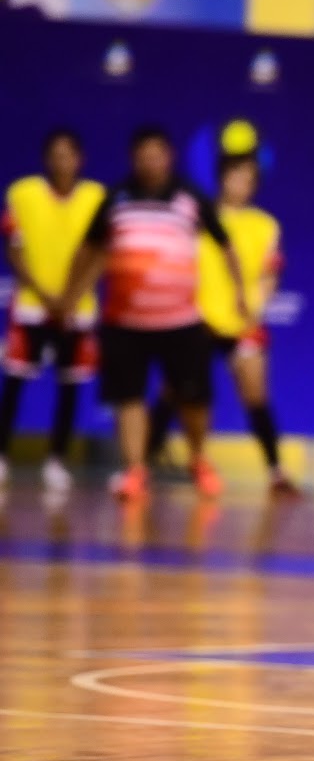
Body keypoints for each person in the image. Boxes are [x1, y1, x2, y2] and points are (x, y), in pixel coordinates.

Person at [56, 126, 248, 501]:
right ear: (134, 158)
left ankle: (199, 459)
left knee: (194, 399)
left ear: (169, 157)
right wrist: (69, 295)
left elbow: (225, 245)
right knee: (129, 397)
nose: (150, 160)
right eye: (142, 153)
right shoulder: (115, 197)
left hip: (180, 322)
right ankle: (135, 471)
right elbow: (89, 250)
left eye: (157, 153)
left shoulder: (190, 195)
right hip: (125, 322)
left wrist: (240, 292)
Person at [146, 152, 298, 495]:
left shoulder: (266, 225)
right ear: (221, 179)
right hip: (198, 320)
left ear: (255, 184)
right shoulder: (200, 218)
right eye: (233, 176)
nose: (240, 184)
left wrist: (254, 307)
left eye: (247, 179)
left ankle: (276, 469)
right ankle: (144, 462)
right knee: (174, 390)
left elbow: (269, 274)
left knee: (255, 393)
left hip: (242, 323)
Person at [0, 129, 104, 492]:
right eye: (56, 154)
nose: (62, 161)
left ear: (80, 159)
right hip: (31, 307)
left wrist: (72, 297)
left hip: (78, 310)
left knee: (69, 386)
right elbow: (14, 249)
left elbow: (101, 253)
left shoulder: (96, 197)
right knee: (14, 382)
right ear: (47, 159)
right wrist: (44, 294)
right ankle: (2, 456)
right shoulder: (22, 193)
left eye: (69, 154)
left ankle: (57, 460)